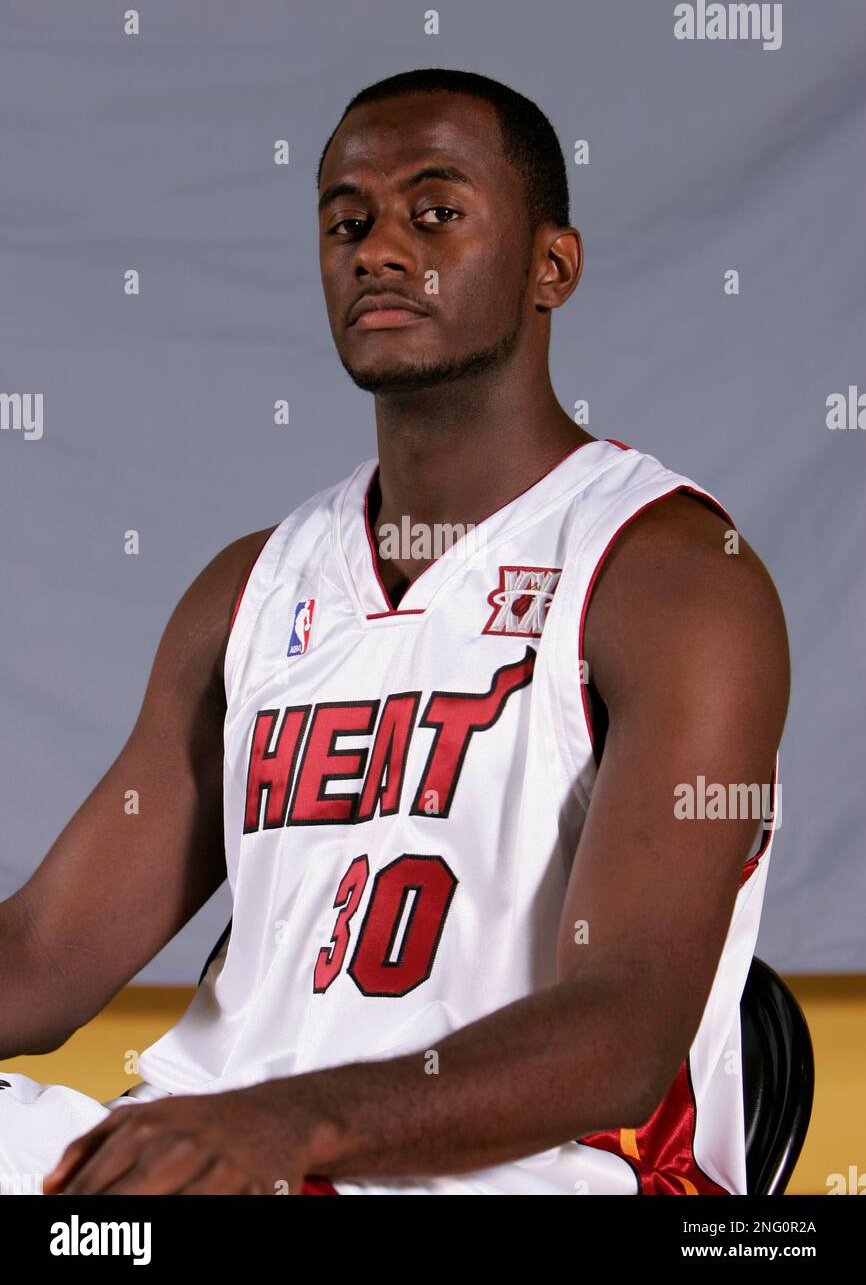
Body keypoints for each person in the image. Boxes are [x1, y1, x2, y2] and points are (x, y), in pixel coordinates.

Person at [0, 68, 789, 1195]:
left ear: (548, 266)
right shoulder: (253, 586)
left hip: (513, 1172)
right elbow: (42, 955)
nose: (376, 249)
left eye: (434, 212)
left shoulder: (669, 578)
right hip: (224, 1145)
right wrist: (246, 1131)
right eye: (346, 220)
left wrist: (290, 1125)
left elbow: (622, 1028)